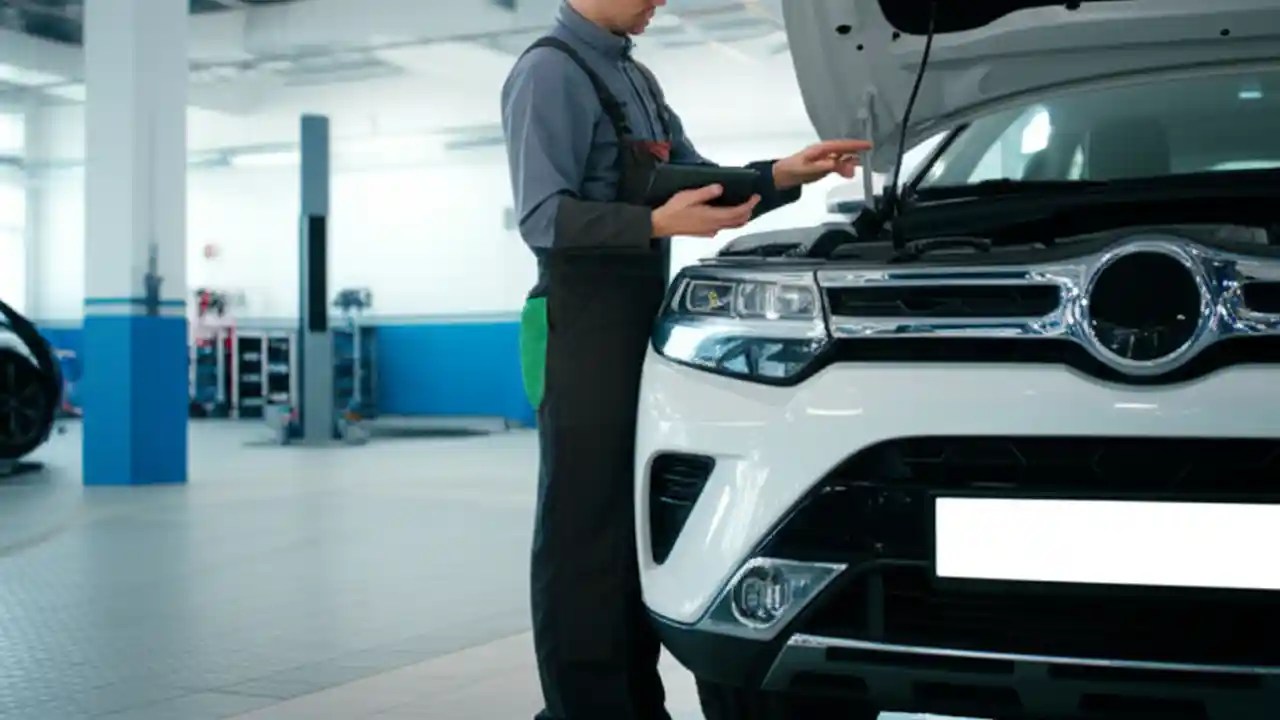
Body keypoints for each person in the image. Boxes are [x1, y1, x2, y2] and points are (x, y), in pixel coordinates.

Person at [499, 1, 871, 717]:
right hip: (578, 330)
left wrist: (785, 173)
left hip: (639, 322)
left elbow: (700, 181)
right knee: (585, 532)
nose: (661, 0)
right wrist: (655, 223)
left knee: (633, 526)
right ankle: (585, 708)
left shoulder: (633, 78)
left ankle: (635, 702)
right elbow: (544, 217)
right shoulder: (547, 74)